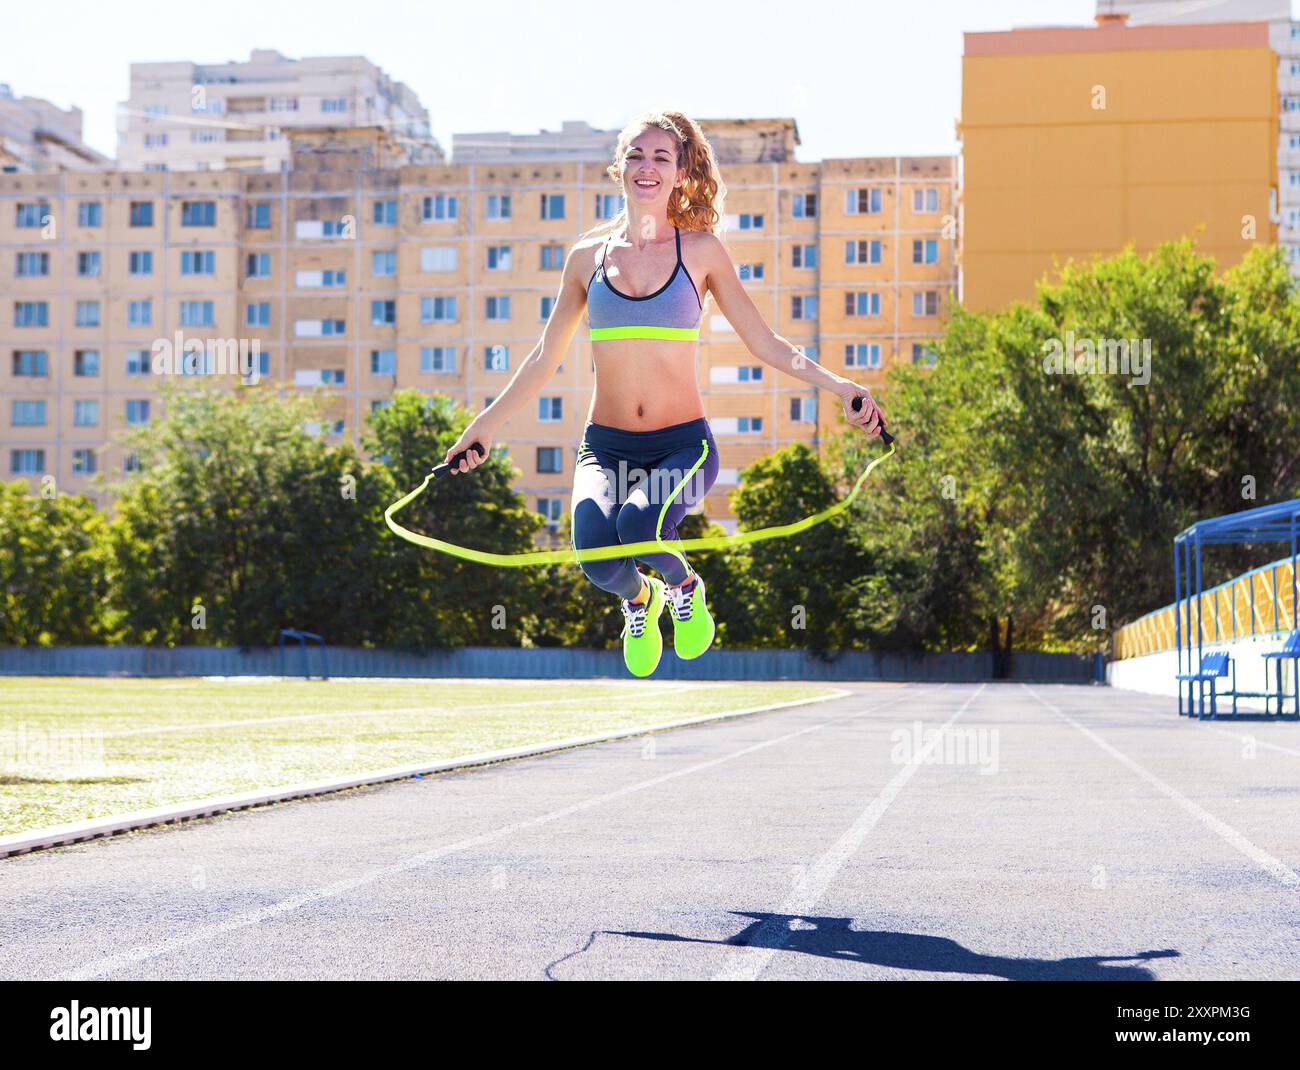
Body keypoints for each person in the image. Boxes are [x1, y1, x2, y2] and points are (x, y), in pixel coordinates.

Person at [443, 110, 885, 676]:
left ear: (680, 173)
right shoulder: (587, 260)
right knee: (596, 556)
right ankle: (641, 600)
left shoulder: (699, 252)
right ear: (619, 168)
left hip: (682, 447)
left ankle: (684, 586)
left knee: (639, 528)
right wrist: (482, 428)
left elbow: (765, 342)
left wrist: (839, 385)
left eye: (660, 158)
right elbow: (542, 359)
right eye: (635, 156)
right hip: (605, 447)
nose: (646, 167)